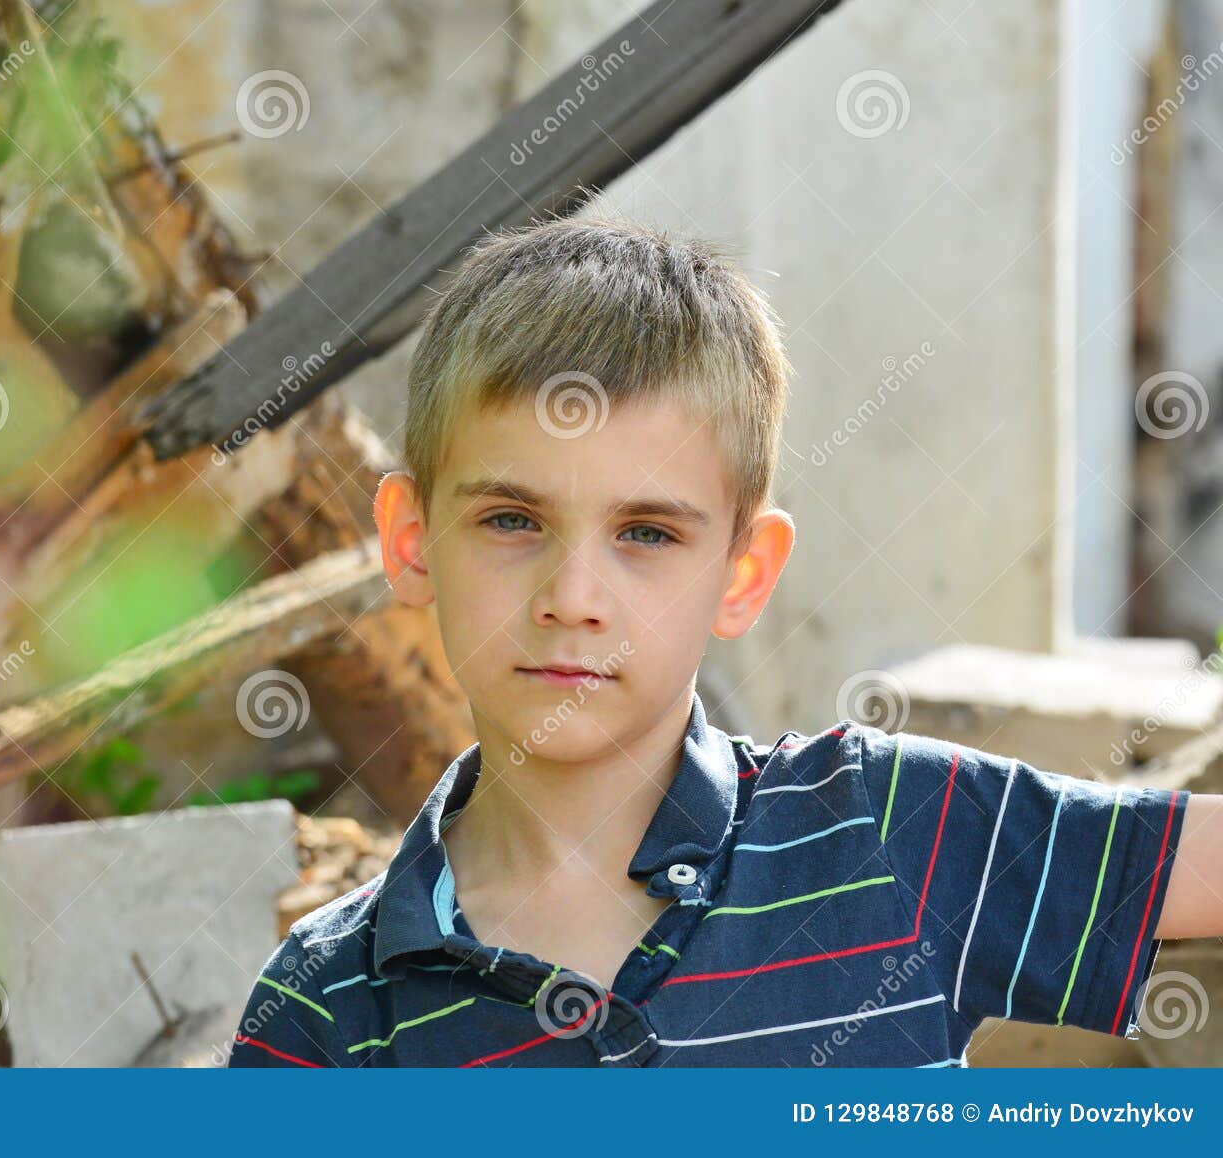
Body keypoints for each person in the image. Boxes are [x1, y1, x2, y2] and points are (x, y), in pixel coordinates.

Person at [226, 215, 1222, 1067]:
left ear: (742, 574)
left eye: (646, 534)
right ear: (411, 541)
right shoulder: (325, 1008)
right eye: (511, 521)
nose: (573, 597)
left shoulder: (892, 830)